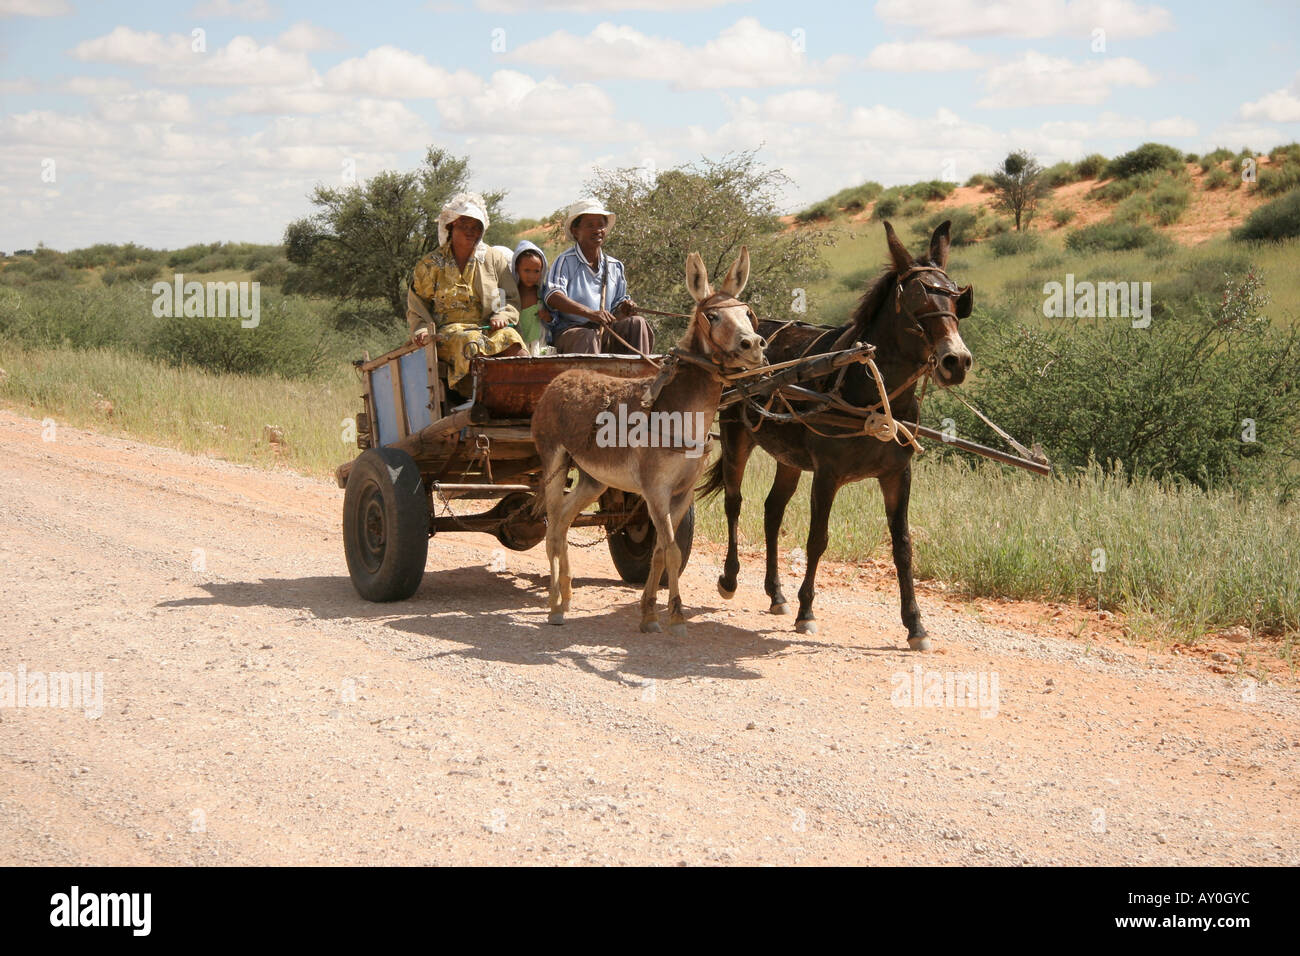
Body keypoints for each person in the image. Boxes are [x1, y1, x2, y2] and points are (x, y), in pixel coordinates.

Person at [407, 193, 525, 395]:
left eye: (476, 226)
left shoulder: (493, 258)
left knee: (512, 338)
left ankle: (524, 393)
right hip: (447, 335)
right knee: (471, 340)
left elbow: (510, 299)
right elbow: (417, 308)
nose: (471, 232)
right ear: (450, 226)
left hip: (487, 328)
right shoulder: (430, 265)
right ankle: (483, 398)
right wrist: (422, 331)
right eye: (464, 225)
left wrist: (502, 315)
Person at [543, 197, 654, 355]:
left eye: (601, 225)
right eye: (590, 225)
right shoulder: (565, 261)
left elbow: (616, 309)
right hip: (573, 332)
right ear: (576, 231)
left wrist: (625, 308)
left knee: (637, 323)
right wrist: (590, 314)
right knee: (587, 336)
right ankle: (591, 380)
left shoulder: (615, 266)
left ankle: (640, 376)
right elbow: (553, 296)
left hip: (606, 332)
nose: (597, 230)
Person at [511, 239, 551, 355]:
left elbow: (556, 318)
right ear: (517, 268)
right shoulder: (511, 294)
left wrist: (548, 318)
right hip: (517, 346)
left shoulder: (543, 294)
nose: (531, 276)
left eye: (536, 271)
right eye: (527, 270)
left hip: (540, 344)